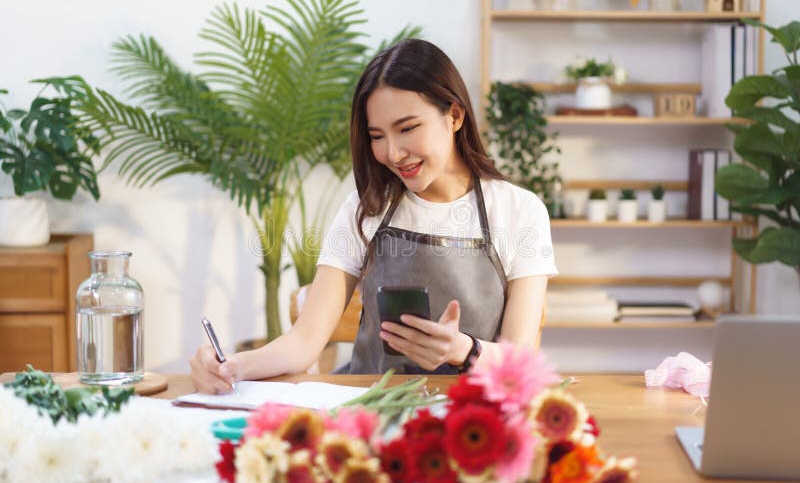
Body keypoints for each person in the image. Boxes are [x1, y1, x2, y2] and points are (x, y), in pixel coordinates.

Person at [190, 39, 557, 393]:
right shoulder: (364, 210)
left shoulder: (519, 211)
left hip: (470, 424)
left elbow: (519, 362)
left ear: (454, 116)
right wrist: (231, 367)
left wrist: (462, 350)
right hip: (371, 410)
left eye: (407, 128)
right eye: (377, 136)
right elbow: (304, 342)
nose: (393, 153)